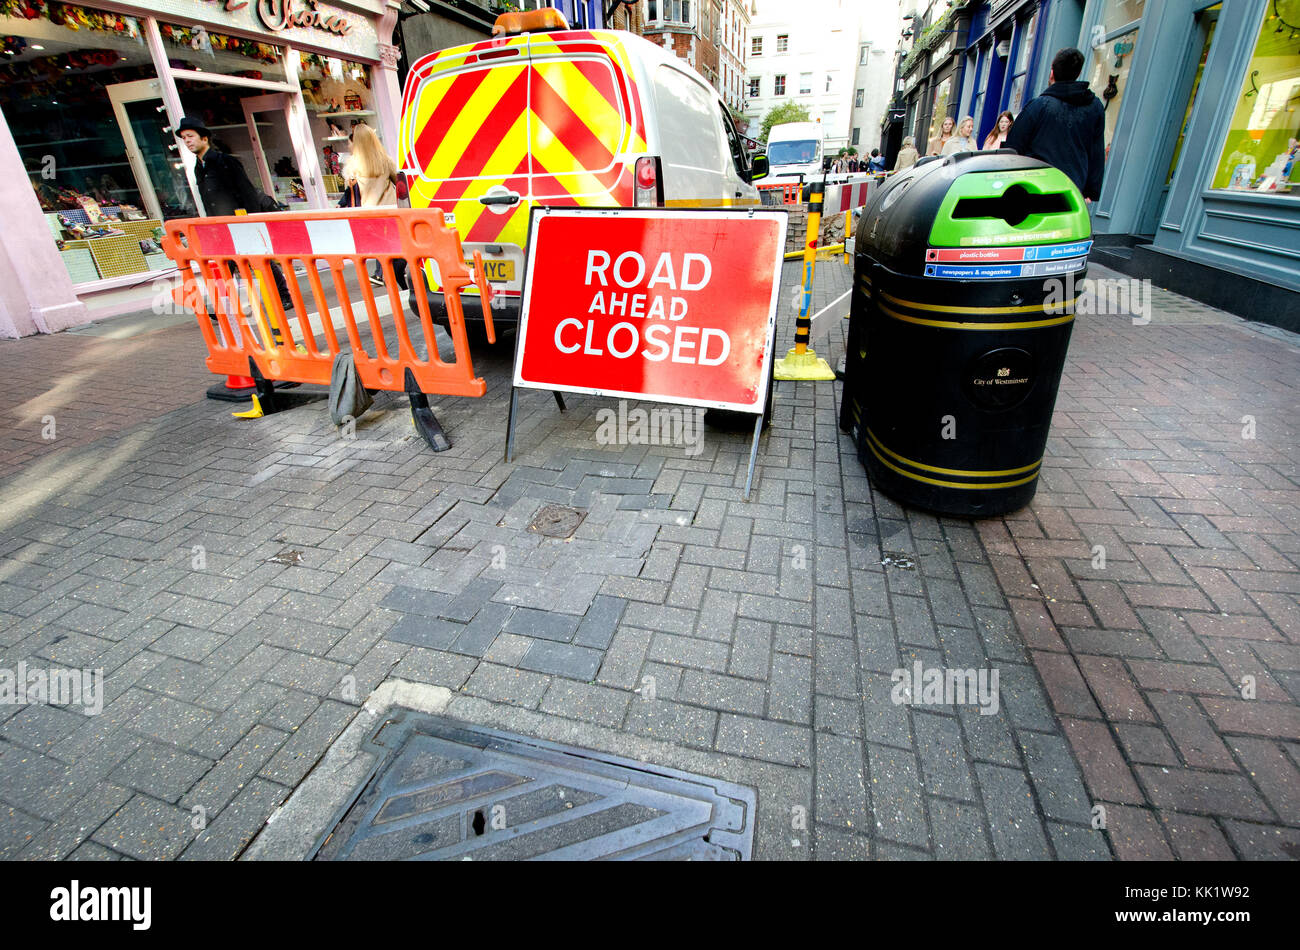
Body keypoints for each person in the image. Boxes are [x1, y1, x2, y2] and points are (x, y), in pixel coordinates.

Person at [176, 116, 295, 310]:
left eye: (190, 136)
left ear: (204, 138)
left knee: (257, 260)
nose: (187, 141)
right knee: (226, 264)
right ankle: (221, 304)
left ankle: (283, 295)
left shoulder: (225, 162)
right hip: (220, 225)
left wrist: (251, 220)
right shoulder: (199, 168)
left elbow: (247, 191)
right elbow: (208, 199)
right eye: (184, 138)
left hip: (240, 221)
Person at [1003, 48, 1106, 203]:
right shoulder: (1095, 107)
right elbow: (1096, 152)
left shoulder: (1039, 106)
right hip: (1071, 192)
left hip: (1033, 191)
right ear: (1078, 74)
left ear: (1052, 73)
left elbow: (1012, 149)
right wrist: (1091, 192)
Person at [343, 122, 408, 288]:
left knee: (383, 252)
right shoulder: (385, 161)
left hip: (369, 217)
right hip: (391, 213)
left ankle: (387, 278)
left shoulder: (352, 167)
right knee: (401, 251)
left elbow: (350, 194)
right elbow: (399, 182)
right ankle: (396, 279)